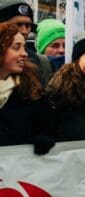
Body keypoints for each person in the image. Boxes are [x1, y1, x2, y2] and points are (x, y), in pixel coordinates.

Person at [0, 21, 50, 152]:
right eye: (16, 47)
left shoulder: (31, 90)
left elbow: (49, 125)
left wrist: (43, 136)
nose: (25, 53)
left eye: (24, 47)